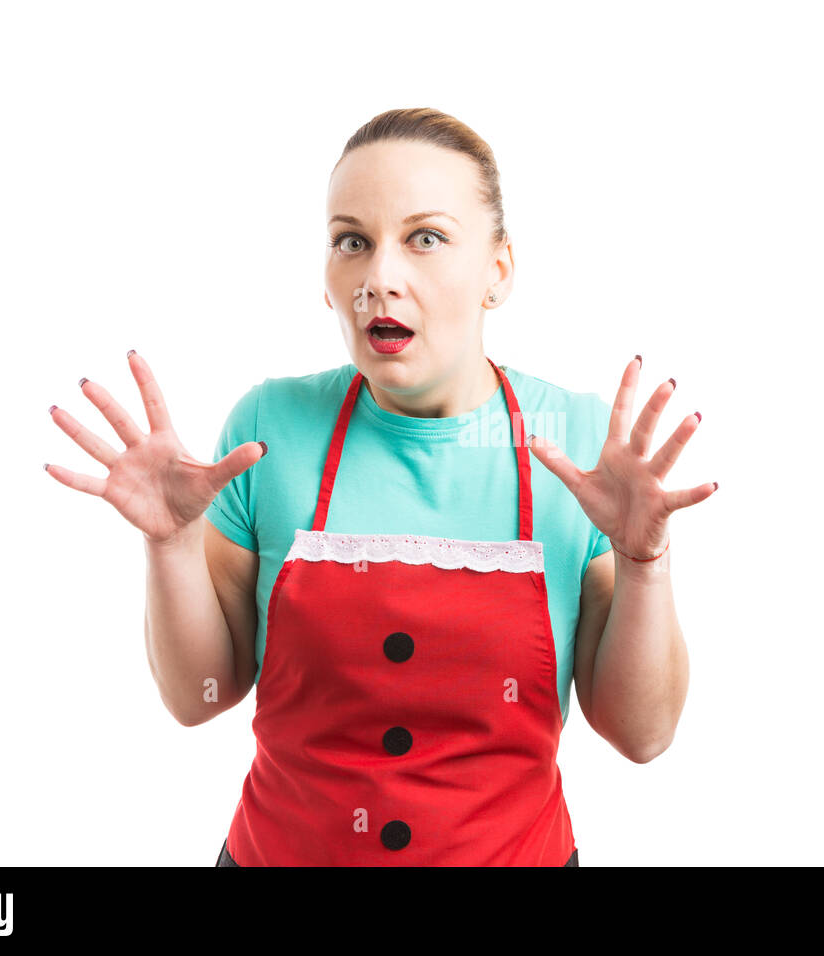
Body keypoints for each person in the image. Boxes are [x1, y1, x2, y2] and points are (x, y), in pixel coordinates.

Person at [45, 107, 715, 866]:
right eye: (352, 242)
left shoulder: (578, 445)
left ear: (498, 269)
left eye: (425, 238)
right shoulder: (270, 428)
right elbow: (199, 696)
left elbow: (642, 735)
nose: (378, 278)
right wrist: (169, 547)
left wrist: (643, 563)